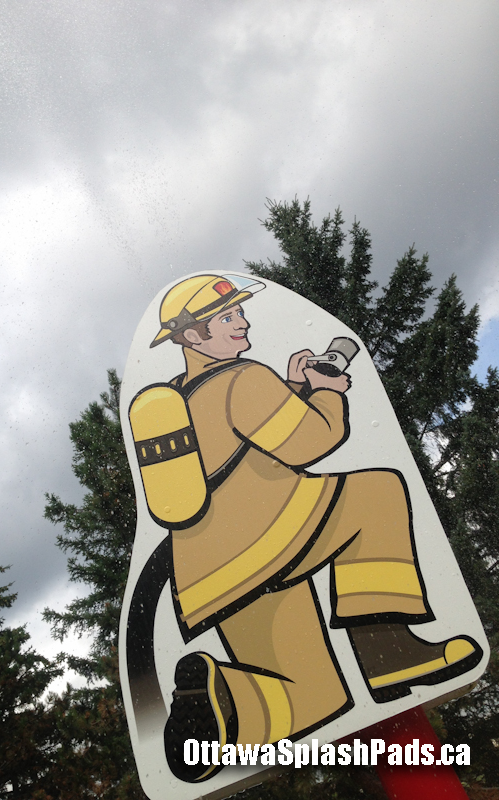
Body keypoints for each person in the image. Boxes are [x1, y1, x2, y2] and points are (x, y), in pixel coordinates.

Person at [144, 273, 481, 783]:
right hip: (274, 536)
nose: (243, 322)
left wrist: (295, 386)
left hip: (210, 577)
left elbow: (246, 434)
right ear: (193, 337)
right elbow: (312, 441)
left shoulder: (179, 399)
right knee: (375, 495)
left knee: (313, 696)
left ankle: (223, 703)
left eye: (239, 313)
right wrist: (325, 392)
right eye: (228, 317)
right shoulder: (241, 379)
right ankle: (391, 654)